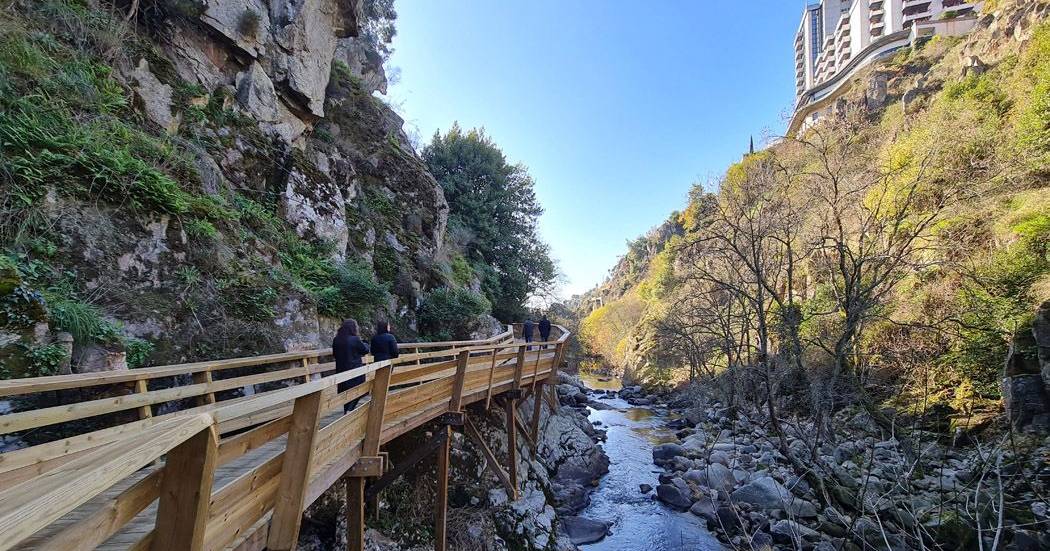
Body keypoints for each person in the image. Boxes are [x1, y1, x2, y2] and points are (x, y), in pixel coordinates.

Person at [333, 319, 369, 413]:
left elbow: (335, 354)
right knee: (358, 391)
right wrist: (365, 343)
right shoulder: (354, 339)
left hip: (341, 370)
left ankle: (347, 411)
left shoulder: (336, 339)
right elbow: (365, 350)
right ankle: (350, 410)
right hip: (354, 370)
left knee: (345, 393)